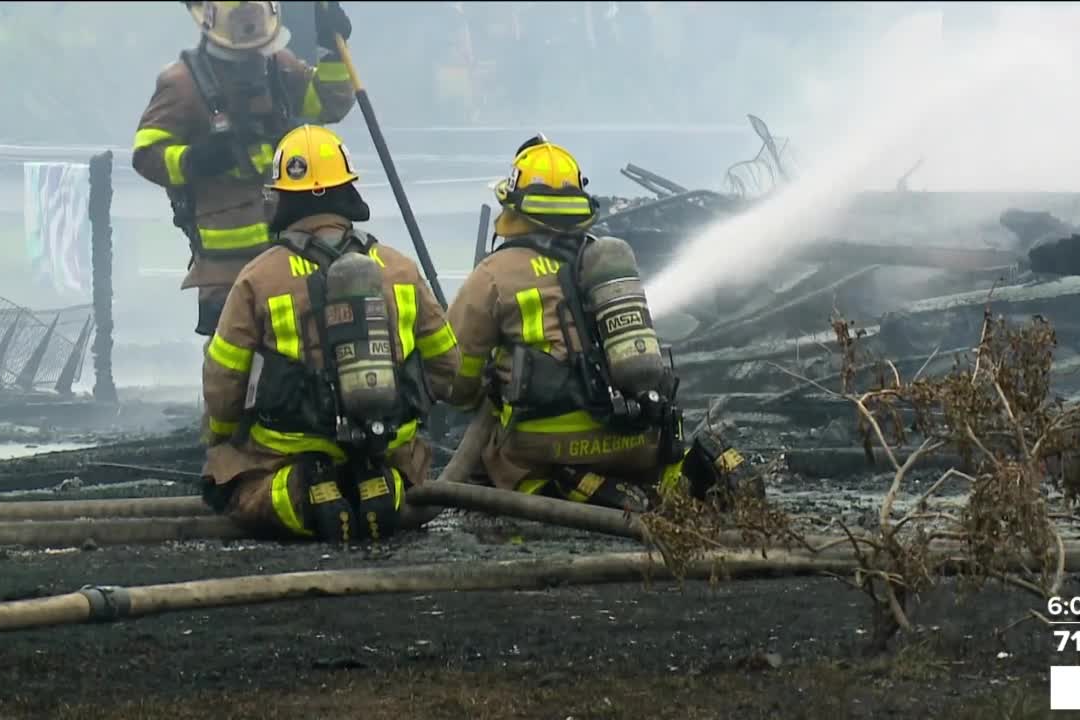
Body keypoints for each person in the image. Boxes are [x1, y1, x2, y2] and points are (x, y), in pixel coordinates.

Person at [445, 135, 757, 512]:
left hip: (547, 448)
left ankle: (567, 487)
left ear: (514, 206)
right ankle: (703, 472)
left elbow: (456, 376)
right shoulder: (607, 264)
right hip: (637, 441)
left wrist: (483, 388)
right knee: (667, 472)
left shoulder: (493, 274)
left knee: (496, 471)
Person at [199, 125, 461, 544]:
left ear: (282, 199)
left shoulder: (259, 277)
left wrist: (222, 435)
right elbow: (448, 364)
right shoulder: (398, 267)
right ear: (347, 192)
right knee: (408, 471)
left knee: (231, 482)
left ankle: (300, 492)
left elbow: (223, 381)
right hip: (388, 447)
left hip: (287, 452)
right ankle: (386, 487)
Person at [132, 0, 357, 338]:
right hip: (224, 268)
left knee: (298, 357)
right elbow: (146, 153)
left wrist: (334, 53)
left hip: (288, 253)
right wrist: (194, 160)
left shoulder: (276, 66)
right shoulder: (182, 82)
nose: (253, 60)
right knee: (233, 365)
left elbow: (328, 102)